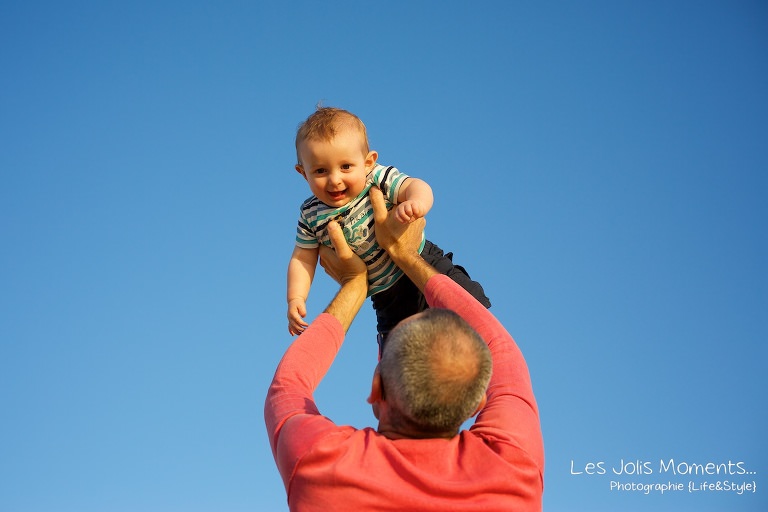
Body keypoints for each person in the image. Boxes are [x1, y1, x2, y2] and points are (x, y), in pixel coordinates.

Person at [266, 187, 544, 511]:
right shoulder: (513, 467)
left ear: (376, 388)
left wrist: (355, 284)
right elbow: (501, 349)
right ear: (477, 403)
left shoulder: (319, 464)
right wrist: (404, 253)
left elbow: (288, 387)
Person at [287, 107, 491, 349]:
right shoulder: (311, 213)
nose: (334, 180)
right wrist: (296, 297)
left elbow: (415, 185)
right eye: (320, 171)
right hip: (386, 297)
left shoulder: (376, 179)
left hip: (425, 260)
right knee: (400, 358)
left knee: (474, 316)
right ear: (303, 174)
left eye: (346, 167)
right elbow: (302, 257)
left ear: (367, 162)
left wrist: (417, 203)